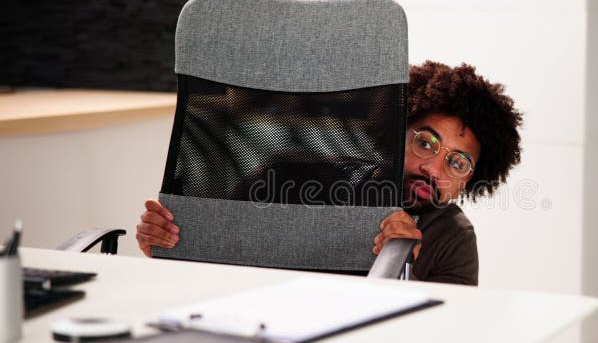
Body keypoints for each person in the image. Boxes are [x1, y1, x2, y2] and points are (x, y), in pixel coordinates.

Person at [136, 61, 522, 286]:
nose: (432, 169)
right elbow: (210, 274)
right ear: (395, 133)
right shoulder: (288, 175)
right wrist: (171, 244)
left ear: (469, 179)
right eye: (425, 143)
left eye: (457, 163)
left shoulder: (452, 238)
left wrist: (404, 269)